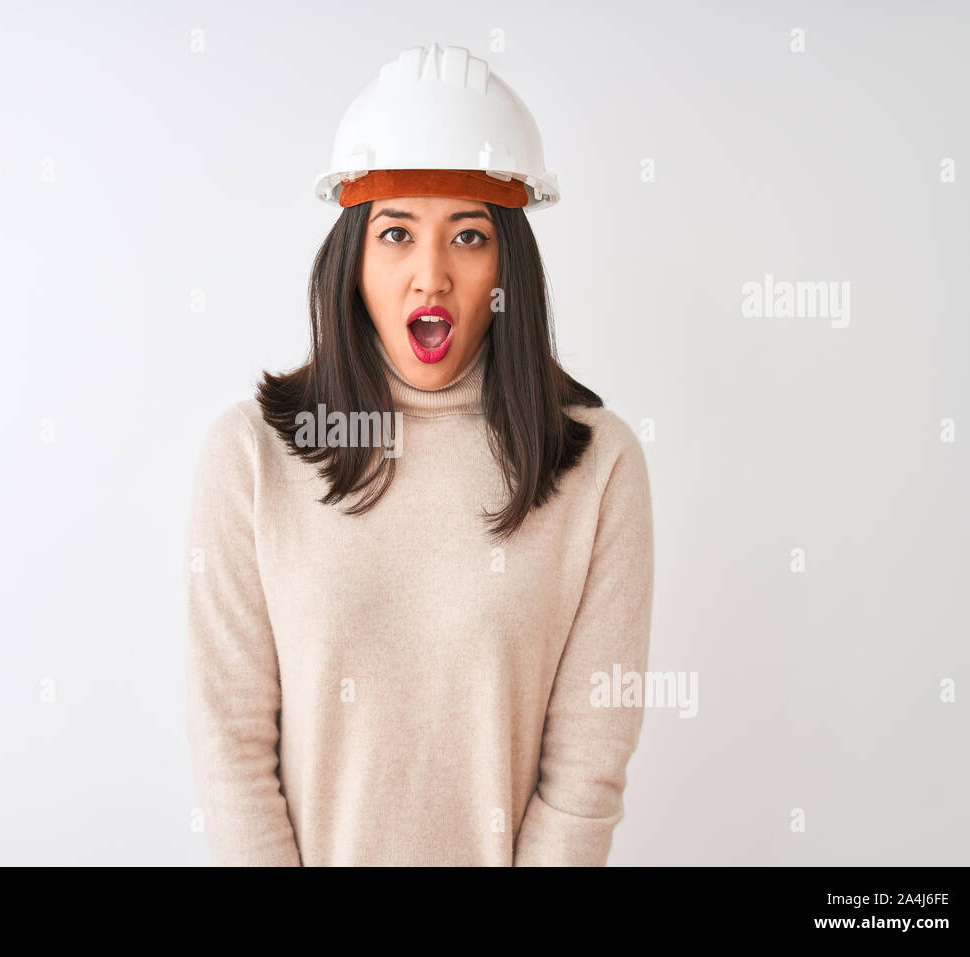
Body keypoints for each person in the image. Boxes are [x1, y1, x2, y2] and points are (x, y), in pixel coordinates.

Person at [183, 42, 654, 866]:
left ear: (511, 261)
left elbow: (584, 778)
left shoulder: (600, 466)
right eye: (396, 232)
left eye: (468, 236)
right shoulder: (249, 458)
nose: (430, 276)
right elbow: (231, 758)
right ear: (351, 260)